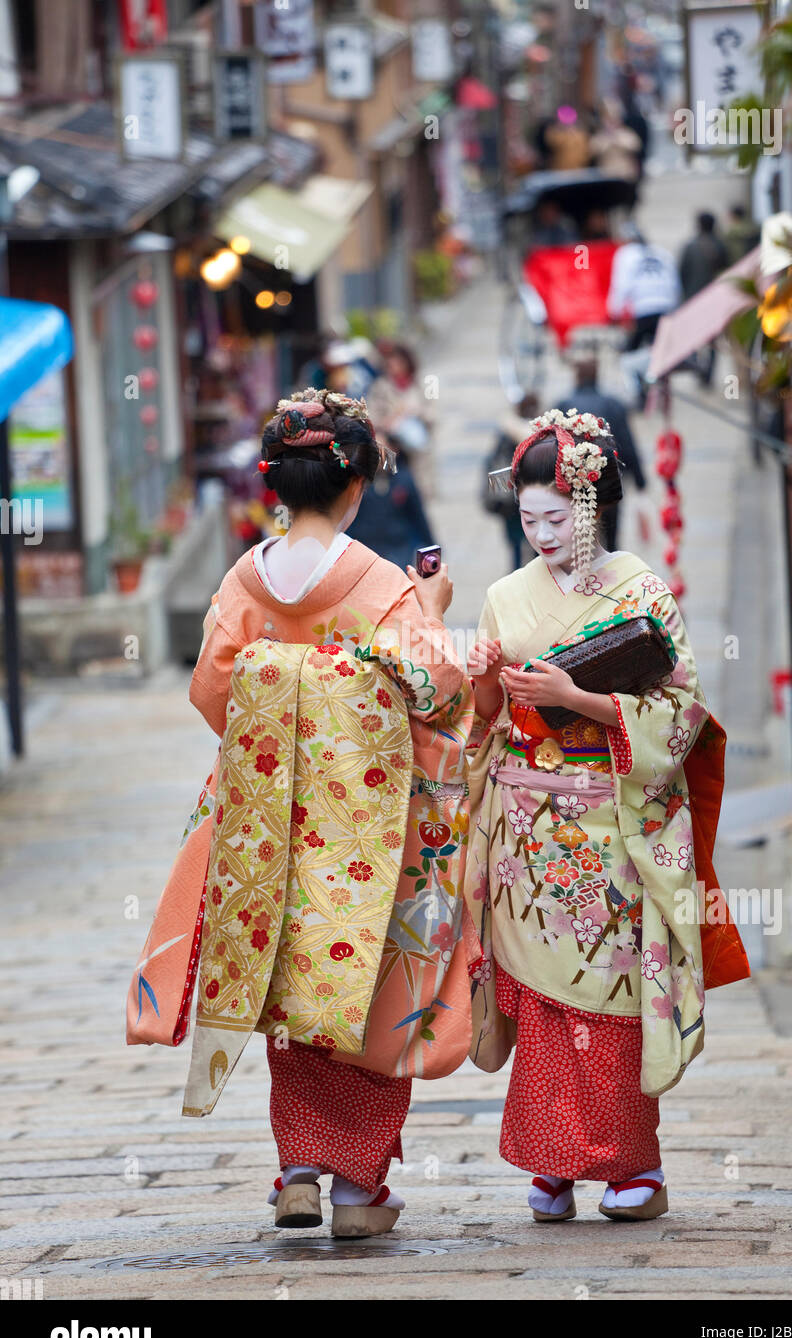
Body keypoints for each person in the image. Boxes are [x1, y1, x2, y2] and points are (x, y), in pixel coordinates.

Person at [138, 388, 477, 1239]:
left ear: (277, 487)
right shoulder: (379, 584)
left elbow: (214, 692)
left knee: (286, 984)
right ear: (356, 483)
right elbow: (440, 690)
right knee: (367, 983)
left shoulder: (243, 580)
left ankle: (297, 1169)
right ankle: (360, 1190)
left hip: (267, 823)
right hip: (368, 829)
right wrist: (430, 614)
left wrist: (280, 727)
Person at [464, 407, 748, 1225]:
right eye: (527, 520)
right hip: (525, 825)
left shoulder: (641, 591)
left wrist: (576, 698)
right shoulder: (504, 596)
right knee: (545, 1005)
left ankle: (632, 1167)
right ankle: (552, 1165)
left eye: (555, 517)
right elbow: (483, 719)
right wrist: (486, 676)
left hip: (615, 825)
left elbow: (681, 710)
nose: (541, 534)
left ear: (591, 507)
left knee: (613, 994)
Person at [556, 355, 647, 550]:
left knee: (578, 542)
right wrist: (640, 480)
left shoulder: (563, 406)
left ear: (577, 377)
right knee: (611, 540)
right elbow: (627, 444)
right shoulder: (613, 405)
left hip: (575, 484)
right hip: (608, 481)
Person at [607, 225, 680, 405]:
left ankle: (640, 394)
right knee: (660, 352)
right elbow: (675, 284)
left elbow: (621, 285)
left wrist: (613, 311)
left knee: (629, 356)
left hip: (643, 309)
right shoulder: (662, 253)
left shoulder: (626, 254)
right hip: (666, 308)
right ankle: (662, 389)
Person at [366, 343, 436, 499]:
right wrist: (390, 421)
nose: (394, 367)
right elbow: (372, 416)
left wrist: (415, 412)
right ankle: (390, 491)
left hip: (417, 433)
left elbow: (433, 413)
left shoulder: (425, 383)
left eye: (398, 363)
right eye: (390, 364)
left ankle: (421, 490)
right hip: (390, 434)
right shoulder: (380, 387)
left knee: (420, 445)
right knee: (383, 450)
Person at [481, 393, 539, 571]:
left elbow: (492, 462)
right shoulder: (538, 434)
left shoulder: (505, 432)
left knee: (515, 545)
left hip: (509, 499)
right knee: (537, 544)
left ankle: (516, 576)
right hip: (533, 497)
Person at [678, 212, 730, 385]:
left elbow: (682, 273)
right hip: (714, 300)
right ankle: (709, 373)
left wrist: (683, 298)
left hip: (693, 300)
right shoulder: (720, 245)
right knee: (712, 340)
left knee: (694, 338)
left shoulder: (690, 246)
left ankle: (698, 369)